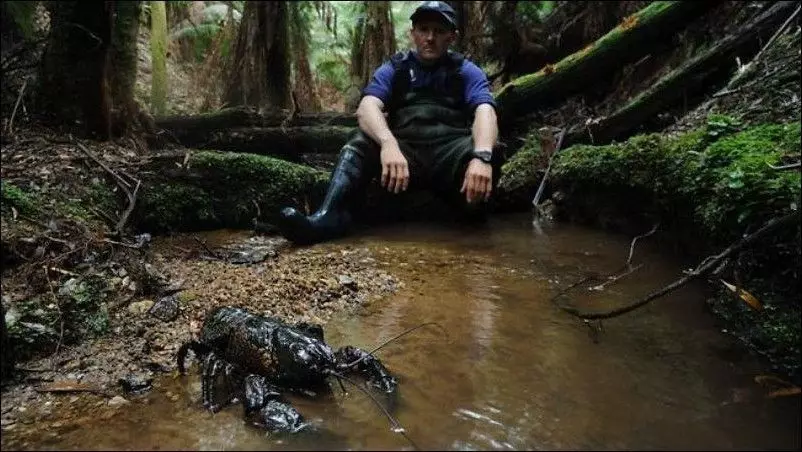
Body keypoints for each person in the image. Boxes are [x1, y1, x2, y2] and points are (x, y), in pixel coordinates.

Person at [277, 0, 502, 245]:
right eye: (424, 29)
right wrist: (388, 144)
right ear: (413, 33)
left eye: (438, 31)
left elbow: (485, 110)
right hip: (405, 156)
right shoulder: (396, 68)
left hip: (450, 154)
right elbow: (367, 107)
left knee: (487, 150)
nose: (430, 38)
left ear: (451, 37)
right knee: (360, 142)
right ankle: (329, 216)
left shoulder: (466, 71)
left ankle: (470, 215)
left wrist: (482, 157)